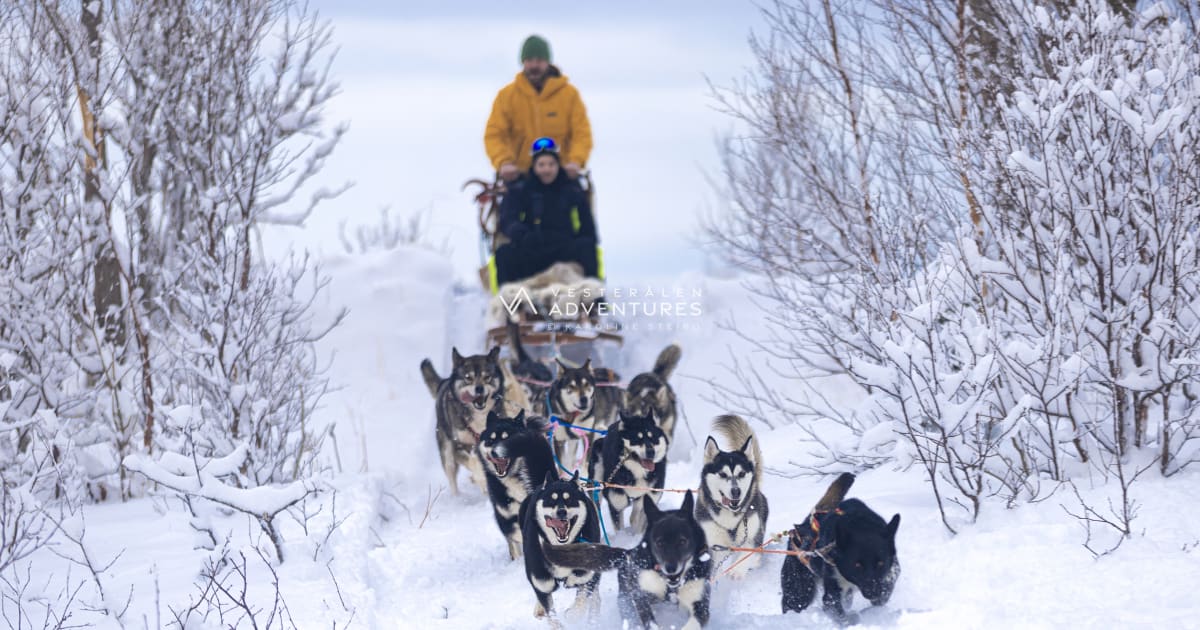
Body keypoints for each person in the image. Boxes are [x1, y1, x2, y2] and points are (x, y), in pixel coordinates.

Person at [492, 137, 599, 287]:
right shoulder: (521, 190)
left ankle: (593, 297)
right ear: (534, 166)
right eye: (541, 165)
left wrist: (577, 241)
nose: (546, 169)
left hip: (564, 249)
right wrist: (523, 235)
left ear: (557, 165)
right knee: (504, 253)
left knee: (587, 246)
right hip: (532, 248)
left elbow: (588, 228)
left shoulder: (572, 190)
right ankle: (507, 301)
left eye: (551, 164)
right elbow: (509, 220)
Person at [485, 35, 592, 182]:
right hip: (519, 176)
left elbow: (582, 134)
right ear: (523, 62)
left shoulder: (569, 95)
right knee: (509, 204)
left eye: (539, 61)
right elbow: (494, 134)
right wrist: (504, 162)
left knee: (577, 203)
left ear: (548, 62)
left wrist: (575, 162)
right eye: (530, 61)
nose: (534, 66)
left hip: (561, 177)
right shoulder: (507, 96)